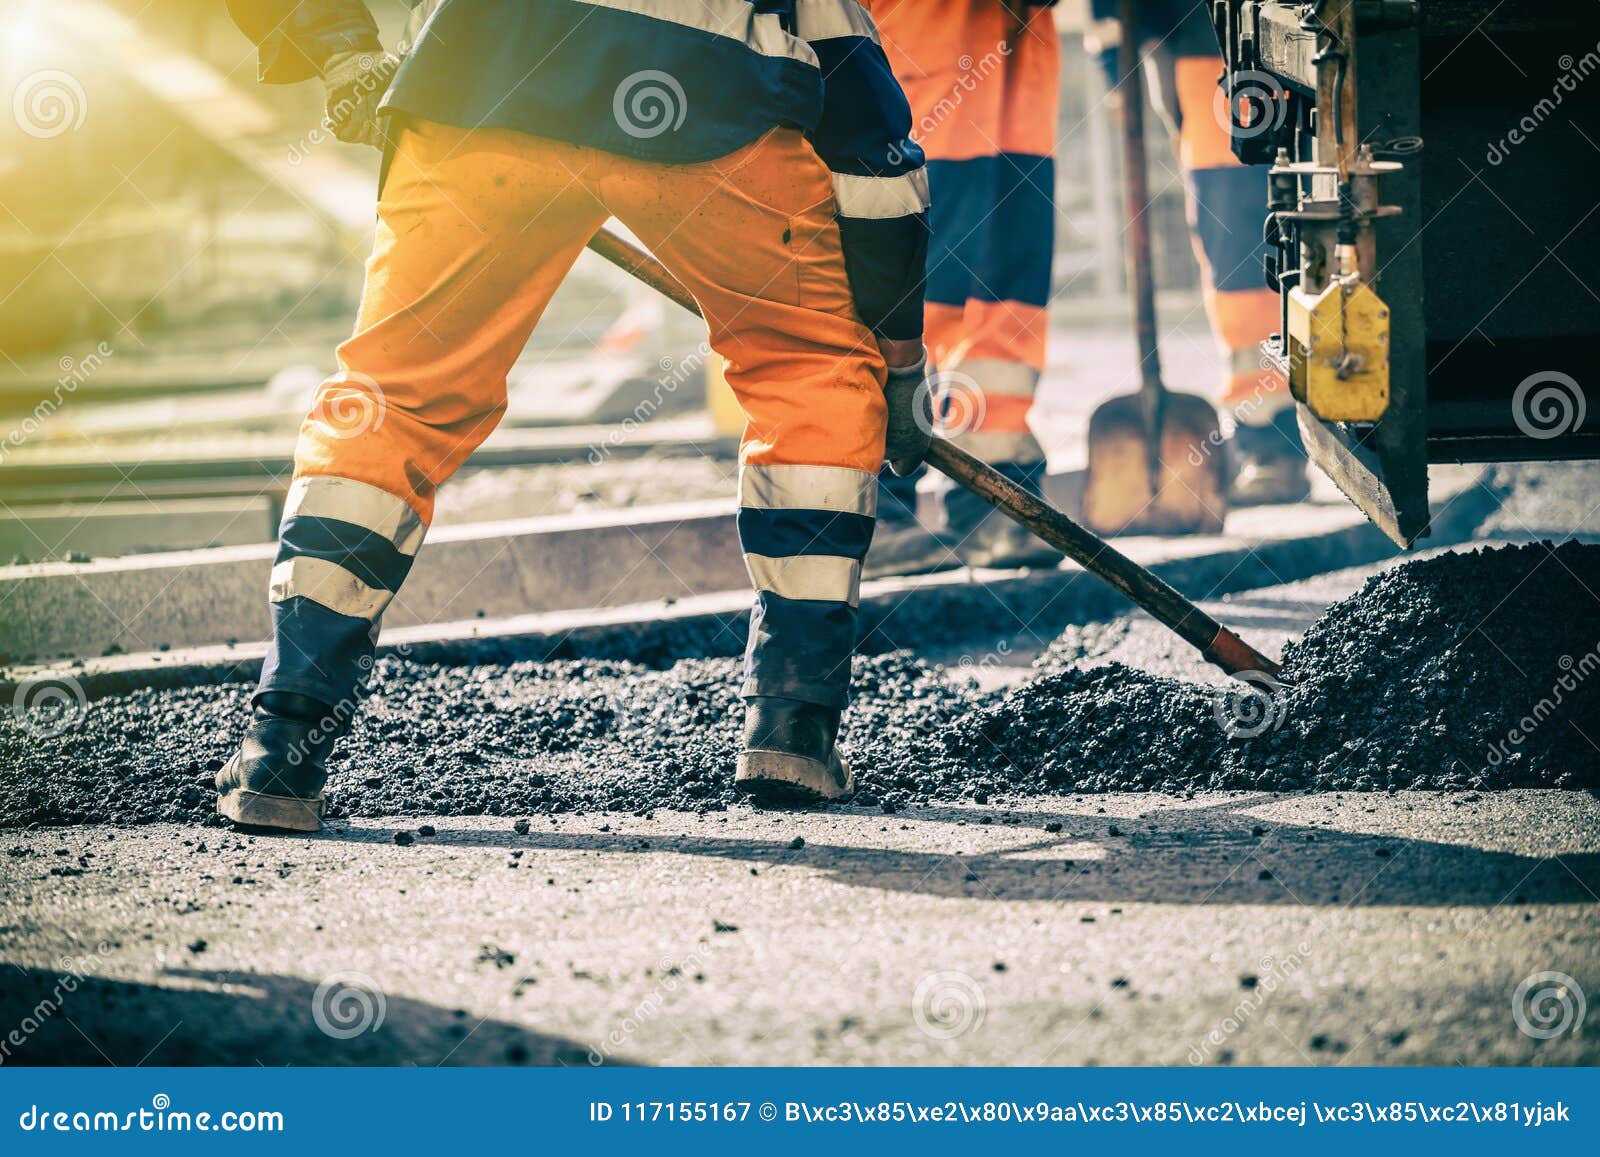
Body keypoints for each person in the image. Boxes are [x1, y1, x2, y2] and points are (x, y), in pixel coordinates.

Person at [218, 0, 932, 831]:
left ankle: (285, 740)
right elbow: (865, 127)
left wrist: (334, 48)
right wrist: (898, 351)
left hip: (484, 78)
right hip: (711, 96)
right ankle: (793, 726)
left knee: (396, 395)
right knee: (810, 370)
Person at [868, 0, 1065, 573]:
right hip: (915, 35)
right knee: (906, 268)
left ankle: (993, 495)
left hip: (1016, 42)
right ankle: (866, 510)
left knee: (1006, 283)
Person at [1087, 0, 1308, 502]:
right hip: (1211, 51)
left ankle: (1347, 428)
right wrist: (1114, 65)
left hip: (1325, 40)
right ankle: (1271, 440)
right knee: (1241, 257)